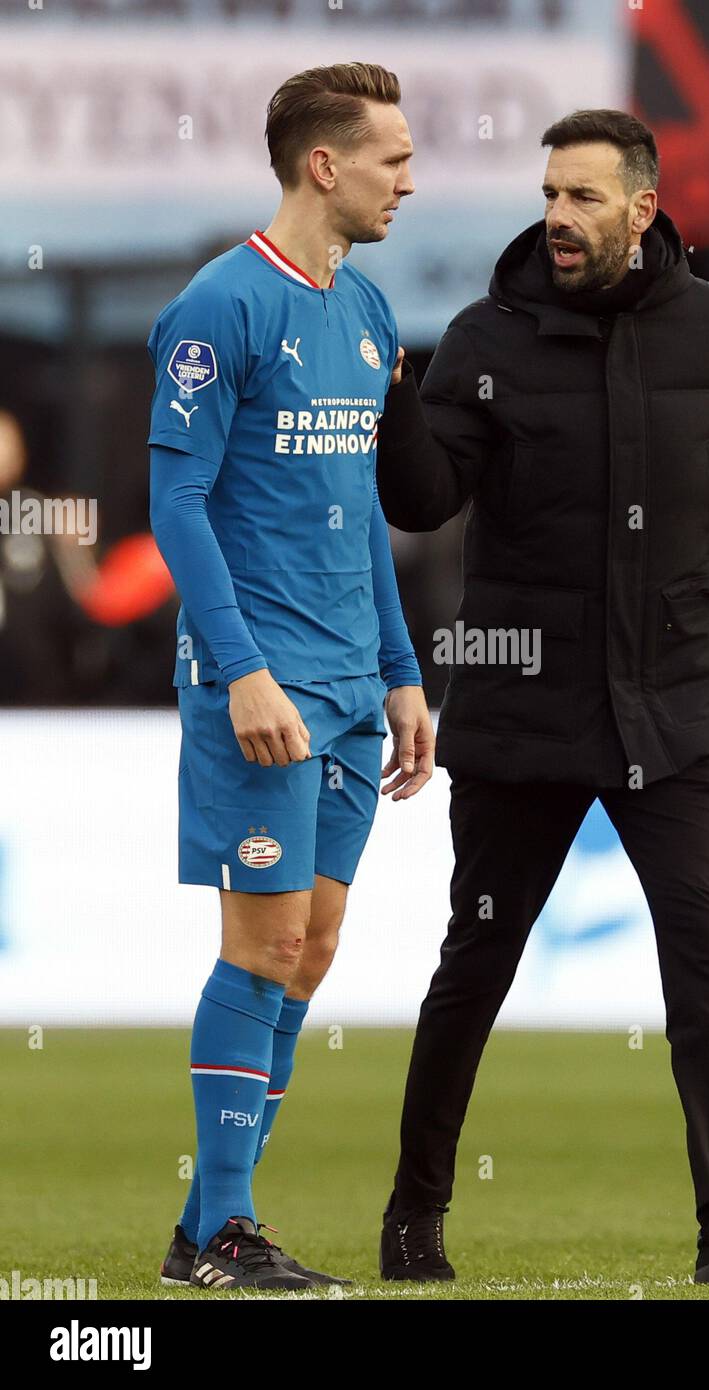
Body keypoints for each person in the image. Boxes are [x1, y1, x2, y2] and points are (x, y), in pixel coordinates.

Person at [375, 109, 709, 1285]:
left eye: (583, 197)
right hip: (524, 707)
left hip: (676, 698)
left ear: (642, 210)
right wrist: (391, 414)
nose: (558, 217)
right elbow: (423, 503)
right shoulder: (486, 334)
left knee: (702, 958)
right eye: (550, 193)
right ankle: (414, 1214)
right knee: (477, 963)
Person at [147, 62, 433, 1291]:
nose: (409, 182)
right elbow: (176, 499)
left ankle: (208, 1223)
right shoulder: (219, 306)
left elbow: (359, 506)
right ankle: (222, 1231)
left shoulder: (366, 312)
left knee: (309, 954)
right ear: (326, 164)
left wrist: (403, 671)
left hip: (351, 687)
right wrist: (243, 668)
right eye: (393, 160)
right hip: (256, 686)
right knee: (260, 950)